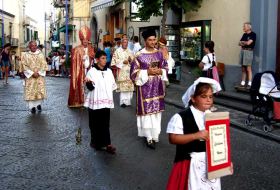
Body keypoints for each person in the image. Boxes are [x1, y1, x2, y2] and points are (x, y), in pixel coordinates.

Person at [166, 77, 227, 190]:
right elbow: (173, 138)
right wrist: (196, 135)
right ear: (193, 98)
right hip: (189, 163)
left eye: (210, 96)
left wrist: (225, 163)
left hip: (210, 164)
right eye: (203, 97)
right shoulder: (181, 117)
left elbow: (219, 143)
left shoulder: (214, 117)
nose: (208, 100)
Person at [130, 29, 168, 149]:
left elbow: (166, 67)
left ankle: (155, 135)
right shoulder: (139, 55)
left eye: (154, 39)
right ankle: (148, 137)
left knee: (156, 112)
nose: (153, 42)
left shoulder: (159, 54)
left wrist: (160, 70)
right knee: (147, 114)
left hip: (157, 88)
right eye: (150, 40)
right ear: (145, 41)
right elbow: (133, 73)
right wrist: (147, 72)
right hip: (145, 89)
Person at [84, 50, 117, 154]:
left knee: (105, 123)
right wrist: (88, 83)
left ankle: (108, 144)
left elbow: (112, 85)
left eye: (105, 58)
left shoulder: (109, 71)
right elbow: (89, 87)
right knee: (94, 123)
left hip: (105, 101)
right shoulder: (92, 71)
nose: (105, 60)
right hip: (95, 102)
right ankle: (95, 142)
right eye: (102, 58)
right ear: (97, 60)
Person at [68, 26, 95, 108]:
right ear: (81, 40)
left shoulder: (91, 48)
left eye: (87, 40)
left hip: (89, 70)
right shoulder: (76, 49)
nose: (85, 41)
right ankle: (80, 101)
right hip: (80, 71)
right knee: (81, 86)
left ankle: (89, 101)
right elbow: (74, 62)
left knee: (89, 86)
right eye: (84, 40)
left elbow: (94, 58)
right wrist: (81, 62)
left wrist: (91, 61)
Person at [21, 41, 48, 113]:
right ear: (29, 47)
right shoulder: (25, 55)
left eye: (35, 45)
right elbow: (24, 65)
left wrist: (39, 73)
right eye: (32, 45)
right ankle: (32, 107)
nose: (34, 47)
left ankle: (38, 104)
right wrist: (32, 73)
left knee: (39, 91)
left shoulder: (41, 54)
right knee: (31, 92)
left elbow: (44, 64)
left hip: (39, 76)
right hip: (30, 77)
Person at [111, 37, 134, 107]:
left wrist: (130, 60)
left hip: (129, 72)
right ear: (121, 43)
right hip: (122, 71)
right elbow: (114, 61)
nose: (125, 44)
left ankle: (128, 102)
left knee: (129, 88)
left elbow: (133, 61)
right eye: (124, 42)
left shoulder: (130, 51)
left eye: (127, 43)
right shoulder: (117, 51)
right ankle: (123, 102)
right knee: (123, 88)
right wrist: (122, 62)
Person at [239, 22, 256, 89]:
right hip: (243, 51)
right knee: (243, 68)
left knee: (248, 68)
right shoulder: (244, 34)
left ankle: (249, 83)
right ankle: (242, 83)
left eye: (244, 26)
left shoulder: (253, 34)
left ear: (249, 27)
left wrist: (244, 42)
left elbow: (249, 43)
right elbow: (239, 43)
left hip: (249, 51)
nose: (243, 28)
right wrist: (244, 42)